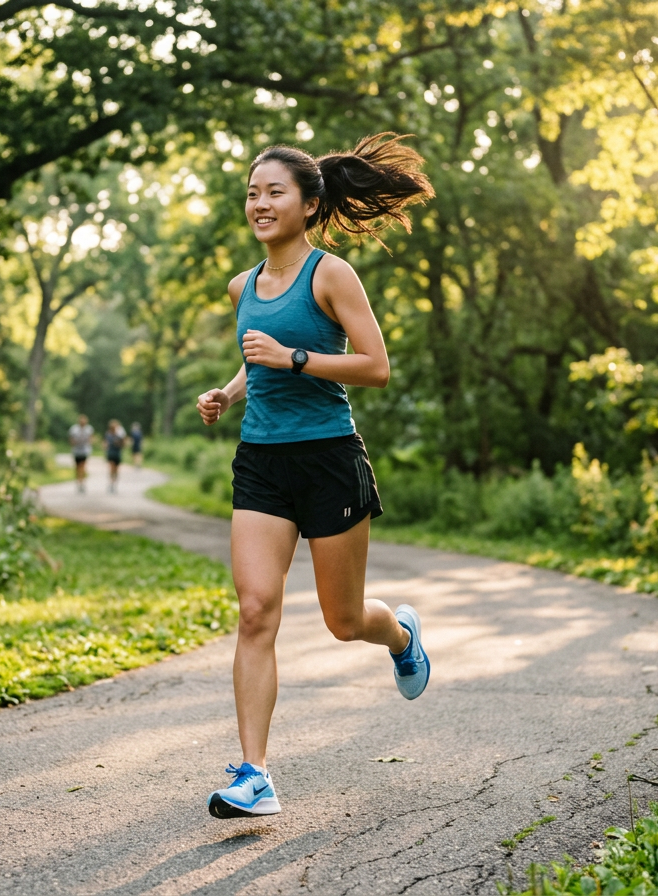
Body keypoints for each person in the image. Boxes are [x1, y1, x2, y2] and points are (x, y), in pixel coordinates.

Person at [195, 133, 434, 819]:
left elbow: (376, 367)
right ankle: (254, 774)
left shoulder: (332, 275)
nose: (259, 203)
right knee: (254, 610)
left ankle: (401, 635)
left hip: (330, 457)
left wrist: (293, 357)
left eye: (274, 192)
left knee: (344, 619)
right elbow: (255, 357)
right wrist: (229, 392)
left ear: (308, 203)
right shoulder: (245, 285)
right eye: (252, 193)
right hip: (262, 464)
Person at [68, 415, 93, 493]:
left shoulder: (89, 429)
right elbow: (71, 440)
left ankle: (82, 483)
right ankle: (78, 482)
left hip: (85, 451)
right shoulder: (74, 429)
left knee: (83, 466)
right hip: (76, 451)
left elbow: (90, 439)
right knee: (77, 467)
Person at [104, 419, 126, 493]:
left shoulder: (119, 435)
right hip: (111, 453)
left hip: (117, 453)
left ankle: (114, 483)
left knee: (116, 469)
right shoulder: (108, 434)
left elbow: (123, 444)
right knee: (111, 468)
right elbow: (105, 443)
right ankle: (111, 483)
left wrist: (119, 443)